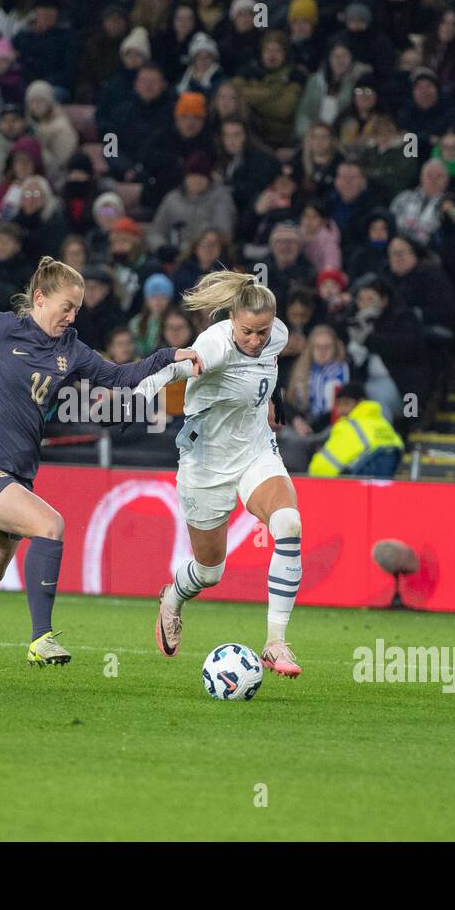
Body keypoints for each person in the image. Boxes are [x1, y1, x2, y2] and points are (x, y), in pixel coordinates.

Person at [0, 256, 197, 678]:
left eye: (77, 310)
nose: (71, 317)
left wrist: (168, 357)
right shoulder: (0, 327)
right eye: (66, 308)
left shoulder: (71, 350)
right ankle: (41, 639)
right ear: (39, 298)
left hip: (16, 476)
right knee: (50, 525)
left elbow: (119, 377)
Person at [132, 271, 305, 677]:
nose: (256, 339)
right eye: (247, 331)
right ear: (231, 319)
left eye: (262, 331)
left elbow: (266, 365)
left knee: (289, 523)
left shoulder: (277, 335)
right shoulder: (216, 344)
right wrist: (137, 395)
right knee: (210, 571)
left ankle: (275, 642)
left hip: (255, 450)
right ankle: (173, 598)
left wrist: (275, 395)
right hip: (206, 462)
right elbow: (175, 370)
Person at [307, 381, 403, 478]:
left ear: (360, 402)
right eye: (338, 404)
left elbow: (320, 468)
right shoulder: (383, 423)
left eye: (346, 403)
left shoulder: (349, 426)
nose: (341, 410)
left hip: (355, 483)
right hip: (385, 483)